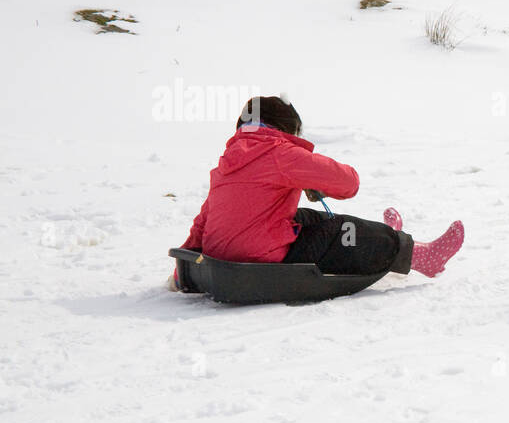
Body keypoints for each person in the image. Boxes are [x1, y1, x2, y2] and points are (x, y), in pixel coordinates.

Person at [172, 96, 462, 288]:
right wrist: (314, 179)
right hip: (263, 259)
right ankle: (418, 255)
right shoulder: (280, 152)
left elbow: (203, 222)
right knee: (343, 229)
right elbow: (350, 182)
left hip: (222, 258)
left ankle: (390, 237)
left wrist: (183, 272)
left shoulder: (227, 163)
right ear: (285, 129)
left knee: (305, 217)